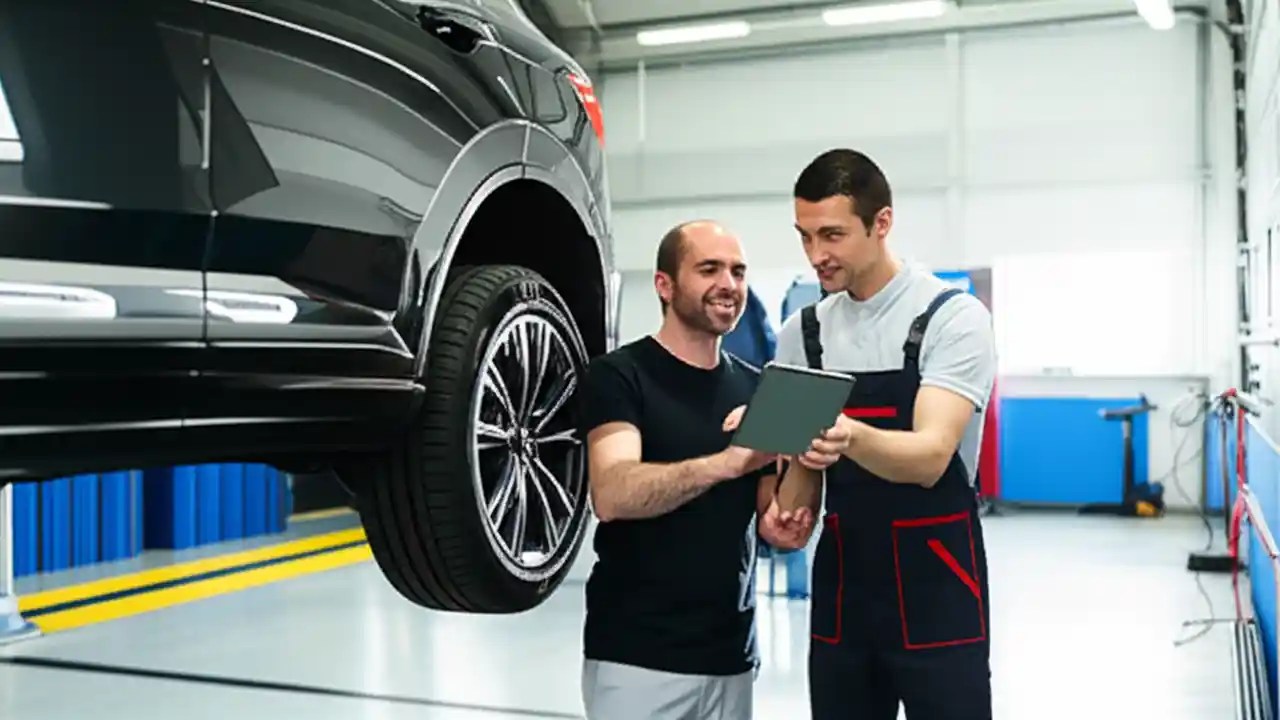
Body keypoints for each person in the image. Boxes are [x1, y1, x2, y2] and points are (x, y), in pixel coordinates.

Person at [773, 149, 998, 720]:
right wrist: (786, 515)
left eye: (832, 235)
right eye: (804, 236)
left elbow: (928, 457)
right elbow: (798, 482)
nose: (815, 255)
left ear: (882, 223)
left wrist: (845, 434)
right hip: (845, 587)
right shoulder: (802, 334)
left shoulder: (952, 317)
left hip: (939, 581)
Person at [577, 219, 813, 720]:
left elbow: (777, 525)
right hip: (639, 659)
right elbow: (613, 493)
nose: (728, 284)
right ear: (664, 285)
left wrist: (807, 461)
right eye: (709, 269)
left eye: (738, 271)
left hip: (732, 657)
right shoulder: (619, 376)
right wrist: (728, 464)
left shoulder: (760, 389)